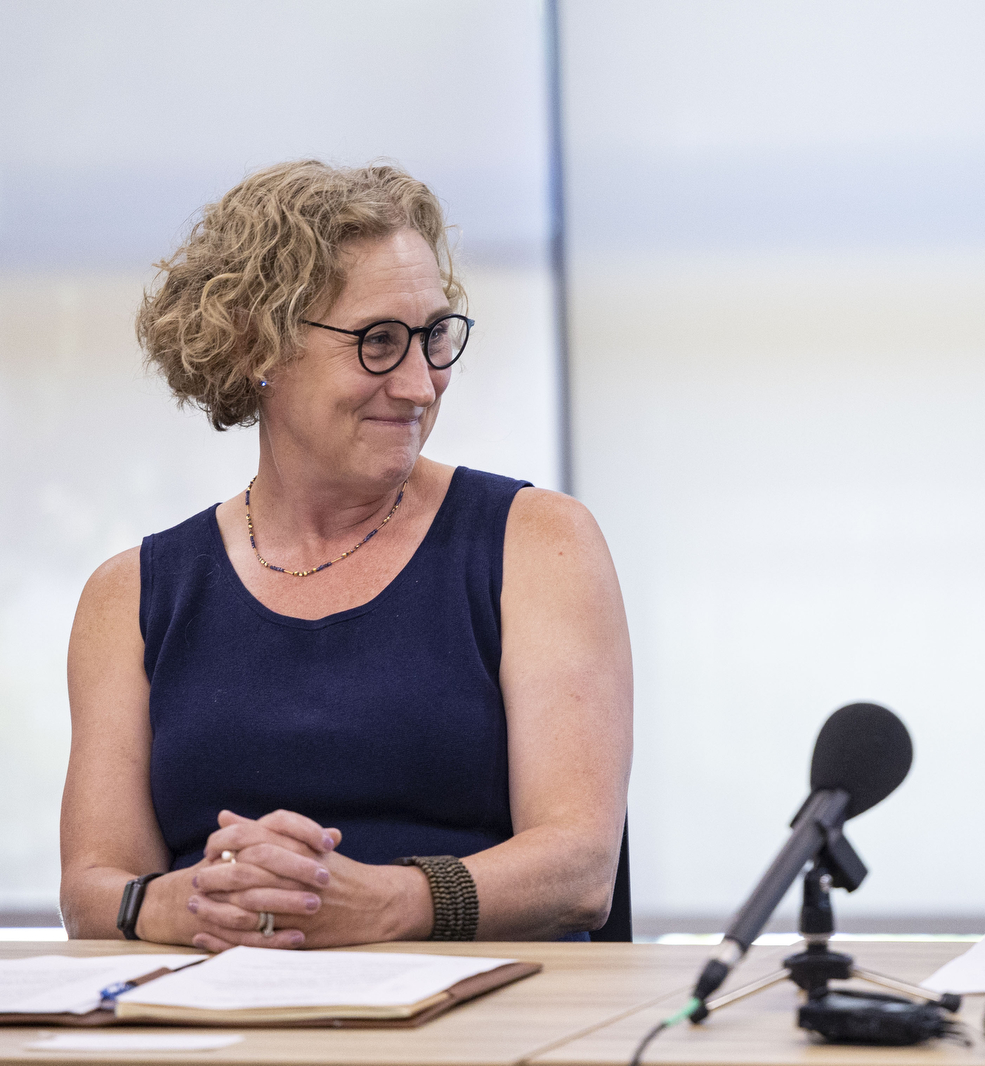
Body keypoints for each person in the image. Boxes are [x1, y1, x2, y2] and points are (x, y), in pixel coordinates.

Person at [60, 161, 632, 950]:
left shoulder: (537, 541)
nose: (421, 385)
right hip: (218, 1023)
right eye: (378, 343)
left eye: (433, 338)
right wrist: (191, 902)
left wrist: (387, 903)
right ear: (255, 345)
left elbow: (580, 869)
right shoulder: (128, 596)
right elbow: (93, 888)